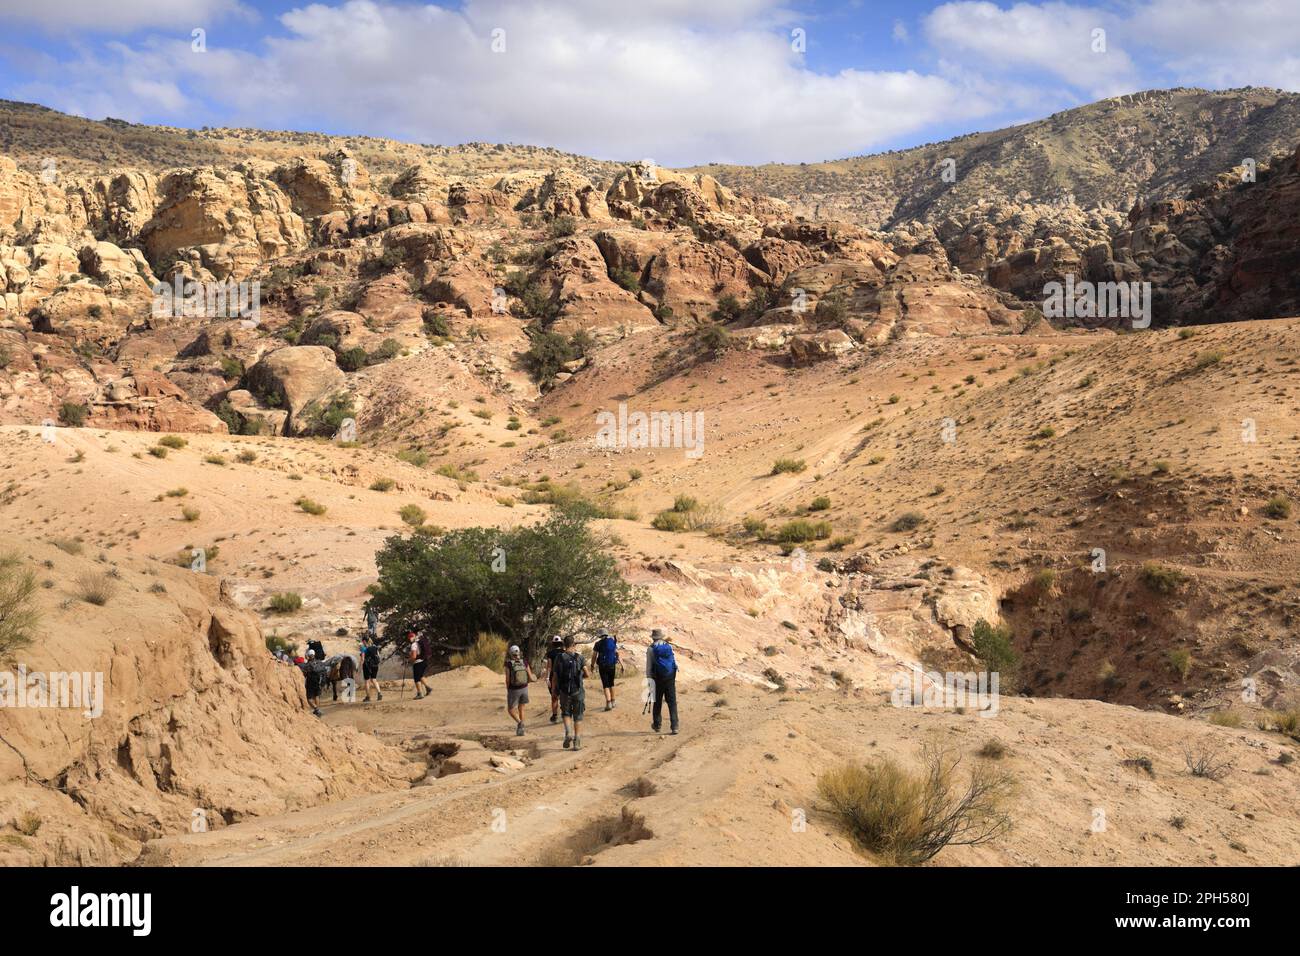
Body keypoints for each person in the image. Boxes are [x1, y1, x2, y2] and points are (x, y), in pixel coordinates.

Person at [553, 636, 588, 750]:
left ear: (564, 645)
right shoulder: (580, 657)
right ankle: (577, 741)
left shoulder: (559, 658)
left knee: (566, 713)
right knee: (578, 716)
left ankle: (568, 733)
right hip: (578, 690)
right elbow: (587, 674)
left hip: (564, 691)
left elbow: (555, 676)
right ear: (574, 645)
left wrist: (555, 690)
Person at [645, 629, 679, 735]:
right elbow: (674, 662)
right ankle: (675, 726)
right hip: (670, 676)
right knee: (672, 701)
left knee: (657, 701)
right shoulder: (668, 646)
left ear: (653, 637)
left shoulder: (651, 649)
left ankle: (657, 725)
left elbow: (649, 666)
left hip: (657, 677)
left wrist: (649, 679)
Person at [504, 645, 538, 736]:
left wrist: (508, 689)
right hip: (524, 688)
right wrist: (533, 680)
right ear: (518, 652)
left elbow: (507, 679)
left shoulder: (509, 664)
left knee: (510, 709)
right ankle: (521, 730)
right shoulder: (524, 662)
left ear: (511, 653)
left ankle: (520, 723)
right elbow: (530, 677)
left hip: (514, 689)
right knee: (521, 708)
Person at [592, 628, 623, 711]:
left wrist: (592, 665)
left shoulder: (597, 644)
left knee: (605, 685)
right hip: (612, 665)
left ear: (600, 635)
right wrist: (622, 664)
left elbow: (594, 656)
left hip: (603, 666)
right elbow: (617, 653)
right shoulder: (612, 641)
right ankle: (613, 702)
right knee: (611, 683)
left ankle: (608, 703)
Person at [542, 635, 565, 724]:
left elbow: (549, 667)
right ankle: (564, 713)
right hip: (563, 676)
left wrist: (547, 678)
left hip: (553, 677)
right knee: (564, 695)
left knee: (554, 696)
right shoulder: (564, 652)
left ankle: (555, 716)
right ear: (560, 643)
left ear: (553, 644)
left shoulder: (550, 653)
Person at [408, 630, 432, 700]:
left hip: (418, 663)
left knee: (416, 679)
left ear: (412, 637)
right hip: (424, 661)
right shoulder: (419, 642)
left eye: (410, 638)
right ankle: (428, 688)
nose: (409, 639)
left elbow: (414, 656)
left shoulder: (414, 645)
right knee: (420, 676)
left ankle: (420, 693)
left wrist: (409, 660)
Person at [359, 634, 383, 703]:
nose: (362, 642)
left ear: (364, 641)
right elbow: (378, 656)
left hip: (367, 666)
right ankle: (379, 694)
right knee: (374, 679)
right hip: (375, 665)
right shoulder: (375, 646)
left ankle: (368, 697)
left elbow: (362, 659)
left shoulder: (363, 648)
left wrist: (359, 668)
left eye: (362, 641)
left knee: (367, 681)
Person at [301, 649, 323, 717]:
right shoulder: (319, 662)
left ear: (308, 656)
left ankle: (316, 709)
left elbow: (304, 674)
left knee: (309, 698)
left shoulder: (307, 665)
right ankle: (318, 710)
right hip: (318, 682)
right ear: (314, 655)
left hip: (310, 683)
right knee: (316, 696)